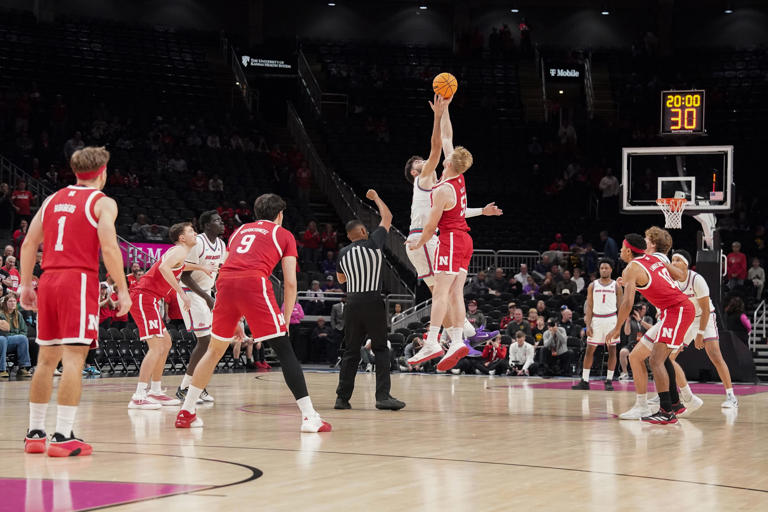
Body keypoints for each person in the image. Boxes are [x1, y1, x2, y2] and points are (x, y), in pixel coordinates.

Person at [175, 194, 331, 432]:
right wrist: (286, 318)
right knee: (283, 347)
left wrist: (235, 315)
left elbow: (228, 266)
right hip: (253, 282)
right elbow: (290, 283)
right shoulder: (284, 234)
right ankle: (310, 417)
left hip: (225, 284)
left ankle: (186, 411)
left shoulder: (239, 231)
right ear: (279, 215)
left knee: (214, 350)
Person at [21, 146, 130, 457]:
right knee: (73, 360)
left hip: (49, 279)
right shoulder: (102, 202)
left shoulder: (51, 199)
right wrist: (122, 289)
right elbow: (109, 248)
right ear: (102, 172)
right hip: (77, 281)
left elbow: (29, 243)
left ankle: (35, 433)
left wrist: (27, 285)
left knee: (45, 360)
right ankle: (63, 435)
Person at [403, 94, 500, 342]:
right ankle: (455, 336)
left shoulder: (444, 185)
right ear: (416, 171)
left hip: (427, 238)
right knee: (444, 291)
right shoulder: (423, 180)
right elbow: (438, 146)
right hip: (422, 238)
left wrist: (445, 109)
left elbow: (448, 139)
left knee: (443, 291)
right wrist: (437, 115)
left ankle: (460, 335)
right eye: (421, 162)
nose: (427, 162)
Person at [407, 95, 480, 371]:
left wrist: (421, 243)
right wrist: (445, 108)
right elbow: (448, 136)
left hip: (449, 239)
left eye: (446, 159)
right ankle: (459, 339)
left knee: (440, 293)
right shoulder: (459, 177)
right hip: (466, 241)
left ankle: (433, 340)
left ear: (448, 164)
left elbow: (432, 225)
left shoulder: (442, 189)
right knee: (456, 295)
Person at [607, 234, 695, 424]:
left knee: (657, 360)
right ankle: (670, 405)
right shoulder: (652, 258)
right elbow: (670, 278)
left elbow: (627, 303)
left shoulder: (632, 267)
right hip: (674, 310)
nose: (620, 251)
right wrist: (633, 284)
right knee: (646, 358)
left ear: (629, 251)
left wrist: (616, 328)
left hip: (677, 310)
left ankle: (667, 410)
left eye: (622, 248)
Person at [128, 223, 212, 410]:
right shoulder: (179, 251)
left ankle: (155, 391)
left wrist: (200, 267)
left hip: (150, 298)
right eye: (191, 231)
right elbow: (165, 268)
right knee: (157, 346)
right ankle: (139, 395)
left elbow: (181, 265)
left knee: (165, 343)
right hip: (144, 297)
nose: (195, 233)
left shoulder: (179, 253)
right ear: (181, 237)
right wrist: (181, 293)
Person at [334, 190, 404, 411]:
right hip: (373, 302)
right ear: (364, 231)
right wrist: (376, 198)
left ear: (349, 236)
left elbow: (341, 279)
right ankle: (382, 397)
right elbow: (388, 217)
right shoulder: (374, 242)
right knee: (381, 349)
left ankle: (342, 399)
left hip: (352, 304)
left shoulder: (342, 253)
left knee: (351, 352)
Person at [665, 250, 737, 409]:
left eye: (677, 260)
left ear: (685, 264)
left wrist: (699, 334)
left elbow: (705, 310)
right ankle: (670, 394)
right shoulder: (673, 281)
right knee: (668, 358)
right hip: (687, 319)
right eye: (672, 259)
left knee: (715, 355)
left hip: (705, 317)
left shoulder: (697, 280)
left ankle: (731, 396)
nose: (674, 262)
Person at [175, 211, 227, 405]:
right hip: (190, 293)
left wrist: (215, 294)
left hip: (206, 293)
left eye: (221, 220)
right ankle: (185, 387)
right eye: (217, 221)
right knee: (205, 341)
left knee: (213, 343)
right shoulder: (198, 243)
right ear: (206, 225)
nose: (221, 223)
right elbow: (185, 276)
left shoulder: (221, 245)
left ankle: (196, 385)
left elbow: (215, 274)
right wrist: (206, 297)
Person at [572, 259, 622, 391]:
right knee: (589, 350)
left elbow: (621, 307)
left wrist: (618, 326)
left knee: (612, 350)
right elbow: (589, 306)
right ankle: (584, 380)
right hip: (597, 319)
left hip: (611, 319)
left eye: (606, 268)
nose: (604, 270)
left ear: (611, 269)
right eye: (602, 268)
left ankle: (609, 380)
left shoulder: (616, 286)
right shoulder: (592, 285)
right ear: (599, 270)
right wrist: (588, 325)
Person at [0, 293, 32, 379]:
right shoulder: (1, 314)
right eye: (10, 301)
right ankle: (2, 370)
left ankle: (22, 368)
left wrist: (14, 336)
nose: (13, 303)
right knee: (2, 339)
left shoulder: (18, 315)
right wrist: (12, 335)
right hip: (2, 340)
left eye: (14, 301)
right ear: (5, 303)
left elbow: (24, 330)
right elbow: (3, 332)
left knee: (22, 338)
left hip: (11, 341)